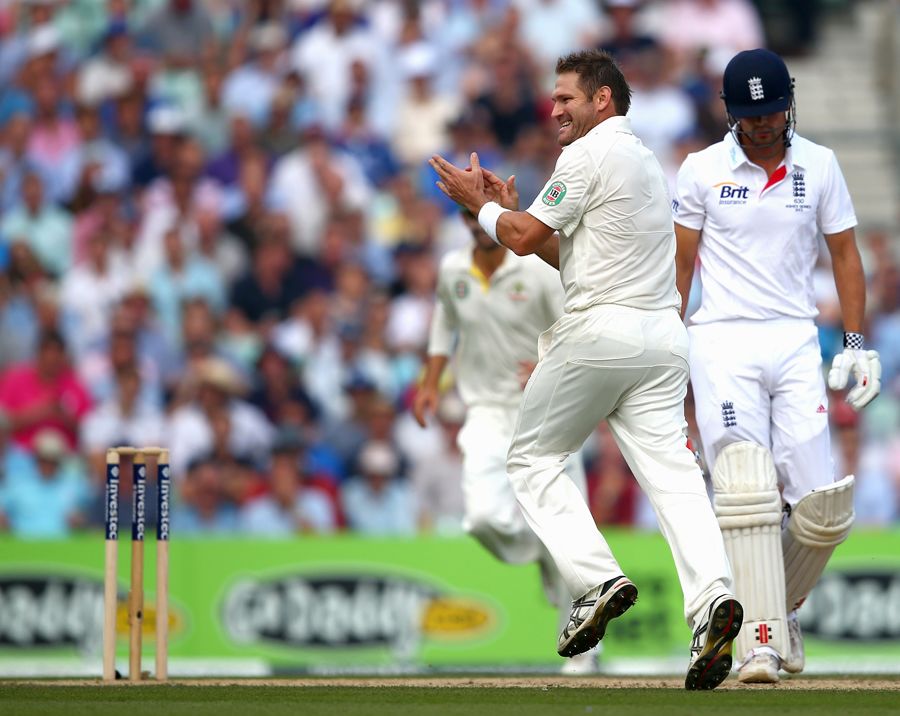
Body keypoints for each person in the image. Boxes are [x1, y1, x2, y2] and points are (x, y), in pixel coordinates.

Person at [429, 48, 741, 690]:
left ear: (603, 100)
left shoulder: (589, 154)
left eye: (566, 97)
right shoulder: (647, 163)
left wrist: (478, 205)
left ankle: (596, 580)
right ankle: (713, 601)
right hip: (660, 340)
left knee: (531, 460)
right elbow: (561, 253)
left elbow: (517, 239)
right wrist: (510, 215)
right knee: (675, 478)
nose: (554, 108)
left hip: (601, 330)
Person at [672, 48, 880, 684]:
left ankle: (778, 607)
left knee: (820, 510)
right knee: (745, 491)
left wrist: (853, 342)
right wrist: (667, 359)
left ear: (788, 103)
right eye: (750, 116)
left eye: (772, 113)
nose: (763, 125)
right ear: (731, 114)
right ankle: (757, 643)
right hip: (722, 341)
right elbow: (680, 268)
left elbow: (845, 255)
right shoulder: (701, 169)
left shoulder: (818, 164)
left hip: (794, 338)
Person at [413, 206, 598, 674]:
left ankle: (585, 656)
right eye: (470, 218)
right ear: (463, 222)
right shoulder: (453, 269)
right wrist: (430, 383)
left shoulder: (536, 267)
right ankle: (538, 551)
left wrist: (548, 363)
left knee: (569, 531)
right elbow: (443, 324)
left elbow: (577, 322)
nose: (478, 227)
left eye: (484, 217)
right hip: (486, 414)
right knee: (480, 519)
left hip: (546, 410)